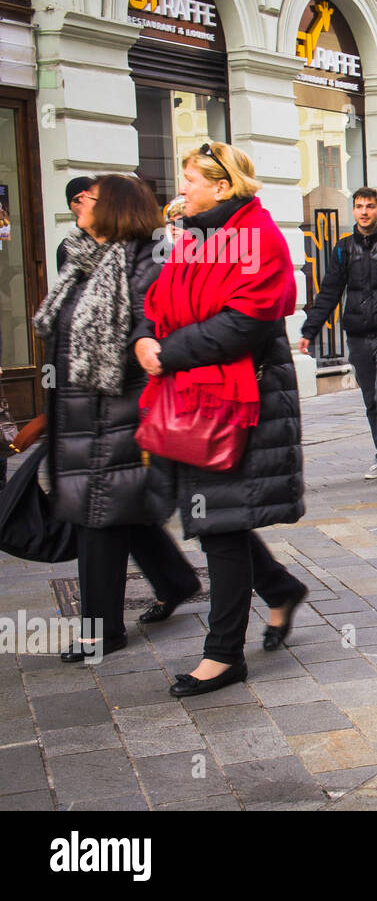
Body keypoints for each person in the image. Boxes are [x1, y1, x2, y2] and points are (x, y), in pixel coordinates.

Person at [133, 142, 308, 697]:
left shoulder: (259, 237)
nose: (181, 187)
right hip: (192, 397)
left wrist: (168, 352)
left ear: (222, 185)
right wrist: (144, 337)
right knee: (219, 516)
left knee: (220, 524)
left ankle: (224, 655)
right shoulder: (192, 236)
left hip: (237, 401)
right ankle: (280, 590)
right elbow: (155, 300)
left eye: (190, 179)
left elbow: (243, 322)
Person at [30, 174, 200, 663]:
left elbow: (149, 333)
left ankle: (100, 631)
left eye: (92, 198)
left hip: (119, 410)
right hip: (78, 411)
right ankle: (176, 580)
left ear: (117, 210)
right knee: (122, 508)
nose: (80, 202)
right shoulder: (81, 258)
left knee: (98, 517)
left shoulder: (146, 262)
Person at [299, 187, 377, 484]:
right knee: (371, 398)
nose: (364, 212)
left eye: (370, 206)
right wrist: (310, 330)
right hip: (357, 334)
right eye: (359, 206)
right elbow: (329, 292)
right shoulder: (344, 249)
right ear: (354, 211)